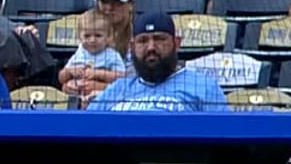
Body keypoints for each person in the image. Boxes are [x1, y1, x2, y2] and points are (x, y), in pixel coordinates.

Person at [87, 11, 226, 112]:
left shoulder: (204, 86)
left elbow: (223, 136)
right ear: (132, 47)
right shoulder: (117, 89)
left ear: (176, 43)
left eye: (159, 39)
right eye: (143, 41)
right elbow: (88, 129)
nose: (151, 47)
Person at [58, 8, 126, 98]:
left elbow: (122, 78)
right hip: (77, 97)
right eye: (87, 36)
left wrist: (98, 74)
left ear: (109, 37)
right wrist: (70, 72)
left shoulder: (112, 55)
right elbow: (61, 77)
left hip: (103, 99)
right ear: (79, 37)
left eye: (98, 35)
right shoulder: (79, 53)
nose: (92, 40)